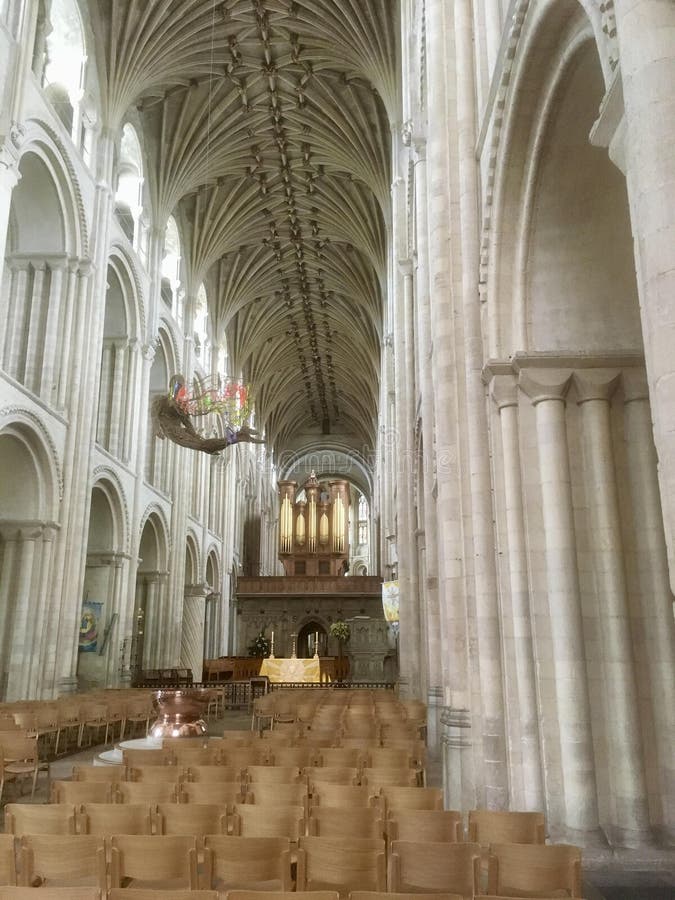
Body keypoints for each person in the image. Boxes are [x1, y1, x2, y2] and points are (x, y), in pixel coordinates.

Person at [151, 374, 264, 454]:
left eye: (180, 386)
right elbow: (154, 415)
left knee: (205, 446)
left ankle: (238, 436)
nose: (178, 389)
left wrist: (195, 435)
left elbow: (188, 424)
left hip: (178, 433)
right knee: (205, 446)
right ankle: (239, 436)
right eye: (176, 386)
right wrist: (157, 429)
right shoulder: (160, 399)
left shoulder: (180, 406)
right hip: (172, 431)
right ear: (171, 385)